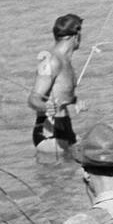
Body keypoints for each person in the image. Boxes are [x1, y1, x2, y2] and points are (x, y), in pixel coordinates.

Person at [28, 13, 82, 152]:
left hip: (65, 128)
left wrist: (74, 101)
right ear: (76, 35)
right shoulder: (51, 62)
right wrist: (45, 106)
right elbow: (33, 99)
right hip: (48, 133)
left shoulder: (66, 62)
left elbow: (59, 93)